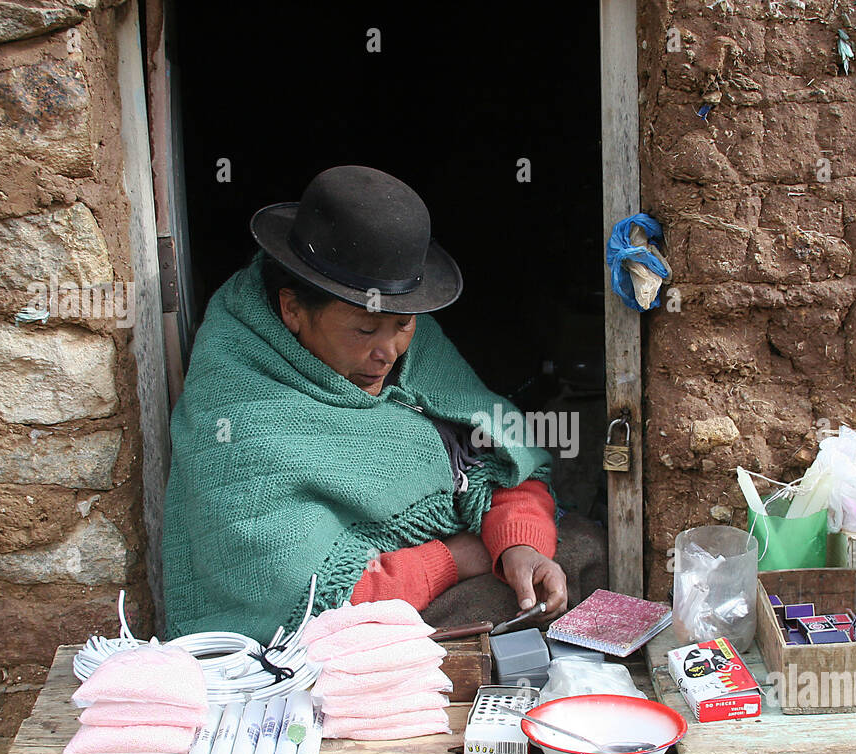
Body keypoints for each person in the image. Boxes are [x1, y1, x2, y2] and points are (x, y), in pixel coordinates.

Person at [161, 166, 576, 642]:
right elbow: (298, 599)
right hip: (345, 626)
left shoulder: (408, 344)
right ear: (293, 309)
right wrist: (456, 557)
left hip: (456, 561)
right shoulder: (240, 411)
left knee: (572, 570)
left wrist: (520, 544)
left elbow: (501, 461)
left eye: (403, 326)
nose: (388, 354)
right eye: (363, 331)